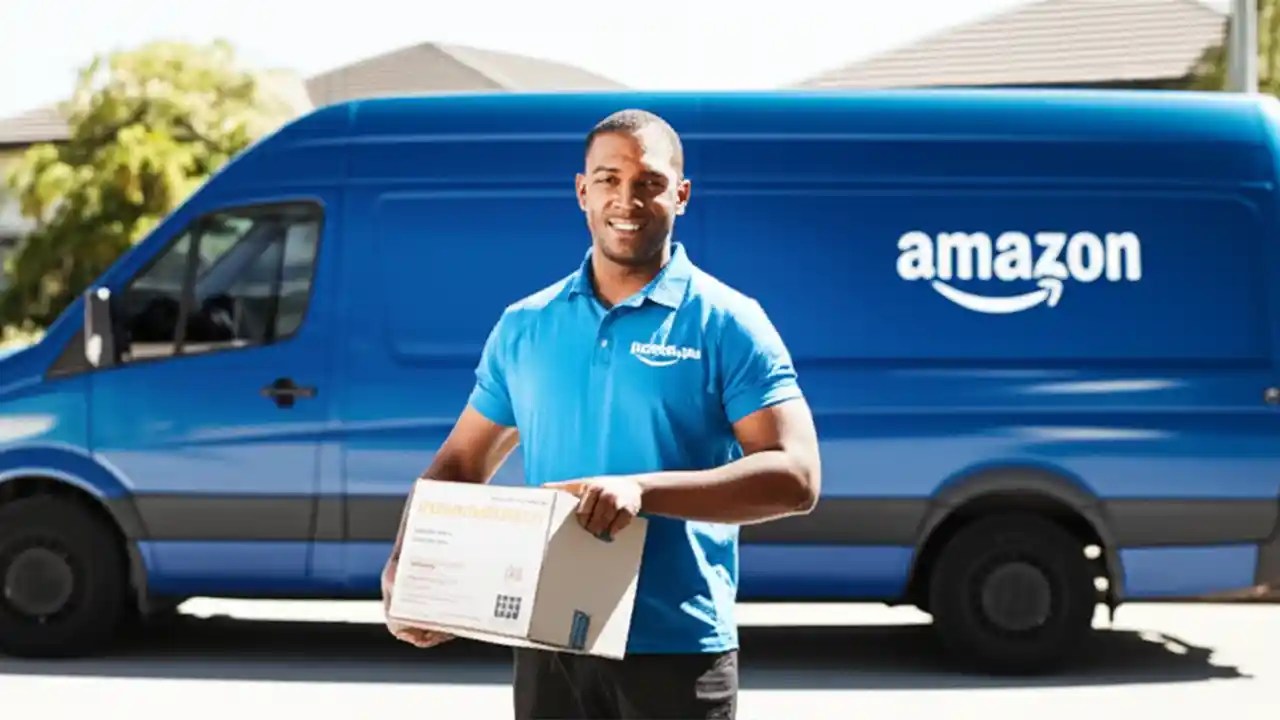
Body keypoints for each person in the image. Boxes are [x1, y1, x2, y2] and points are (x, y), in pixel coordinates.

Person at [381, 108, 822, 719]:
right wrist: (410, 564)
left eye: (649, 182)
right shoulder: (525, 324)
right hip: (550, 639)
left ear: (682, 195)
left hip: (676, 647)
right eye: (608, 179)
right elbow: (460, 463)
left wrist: (640, 491)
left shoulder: (728, 321)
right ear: (581, 190)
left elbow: (796, 477)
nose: (627, 200)